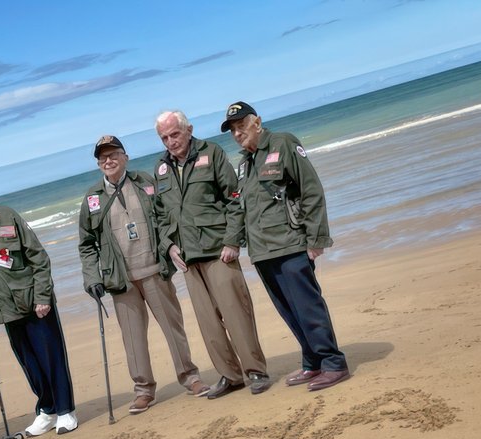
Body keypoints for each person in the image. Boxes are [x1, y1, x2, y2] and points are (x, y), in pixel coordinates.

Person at [222, 101, 350, 391]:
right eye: (232, 130)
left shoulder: (283, 143)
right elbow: (241, 208)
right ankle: (312, 362)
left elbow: (311, 189)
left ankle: (333, 362)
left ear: (257, 122)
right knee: (289, 311)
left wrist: (316, 239)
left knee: (308, 307)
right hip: (262, 251)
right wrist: (233, 241)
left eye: (241, 126)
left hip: (290, 244)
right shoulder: (244, 164)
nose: (237, 133)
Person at [78, 135, 210, 414]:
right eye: (103, 158)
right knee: (133, 339)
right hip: (120, 280)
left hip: (154, 271)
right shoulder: (92, 198)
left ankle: (190, 377)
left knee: (173, 328)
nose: (108, 161)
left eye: (114, 154)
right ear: (98, 164)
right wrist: (92, 278)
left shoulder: (145, 182)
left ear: (125, 157)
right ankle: (143, 390)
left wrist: (170, 246)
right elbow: (87, 244)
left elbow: (165, 218)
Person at [153, 110, 271, 399]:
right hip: (188, 258)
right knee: (209, 324)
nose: (170, 141)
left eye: (175, 134)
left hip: (219, 251)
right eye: (164, 137)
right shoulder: (161, 169)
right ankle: (231, 376)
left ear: (189, 130)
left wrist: (232, 241)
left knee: (236, 314)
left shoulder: (212, 153)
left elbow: (234, 199)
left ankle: (256, 371)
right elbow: (160, 216)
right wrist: (169, 246)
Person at [0, 175, 78, 435]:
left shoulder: (8, 217)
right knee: (29, 363)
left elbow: (39, 258)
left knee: (51, 358)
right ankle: (47, 410)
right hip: (5, 309)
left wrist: (42, 296)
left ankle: (66, 410)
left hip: (34, 304)